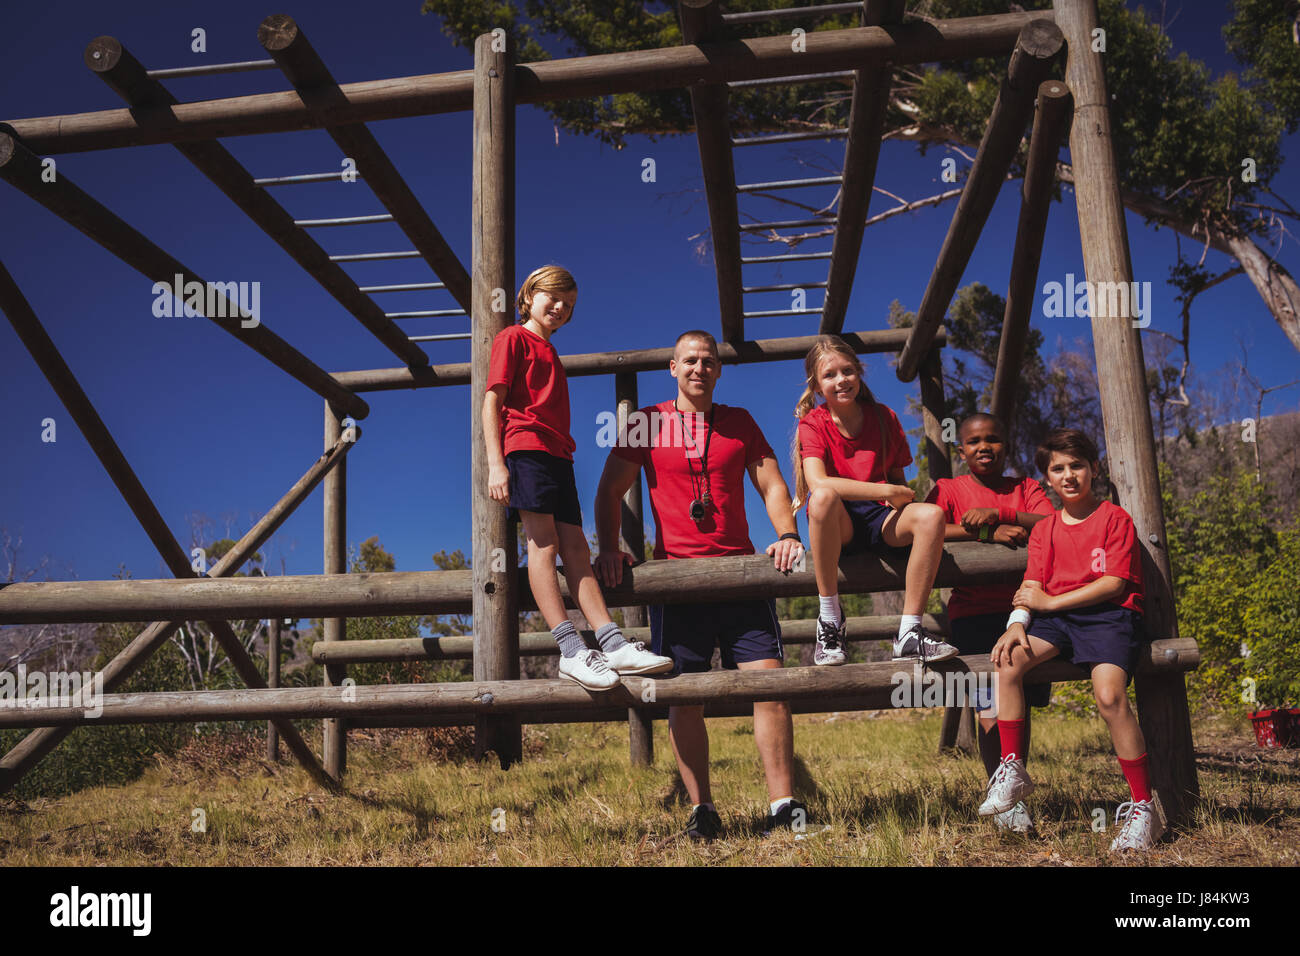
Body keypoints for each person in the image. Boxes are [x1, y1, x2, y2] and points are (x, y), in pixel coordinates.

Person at [593, 330, 807, 841]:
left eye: (708, 361)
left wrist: (787, 533)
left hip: (739, 576)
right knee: (683, 697)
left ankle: (783, 805)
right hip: (677, 580)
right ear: (672, 368)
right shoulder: (645, 424)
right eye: (689, 361)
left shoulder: (739, 422)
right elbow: (608, 490)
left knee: (770, 687)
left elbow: (773, 483)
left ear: (718, 370)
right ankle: (702, 809)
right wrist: (607, 548)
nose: (699, 368)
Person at [483, 265, 672, 692]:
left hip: (559, 455)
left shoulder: (553, 354)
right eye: (553, 297)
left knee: (576, 549)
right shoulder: (512, 338)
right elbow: (491, 402)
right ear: (529, 295)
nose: (561, 307)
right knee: (543, 544)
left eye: (568, 304)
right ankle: (570, 649)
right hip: (525, 448)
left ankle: (611, 642)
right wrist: (497, 464)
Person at [979, 428, 1162, 852]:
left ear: (1094, 469)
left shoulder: (1115, 519)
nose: (1069, 475)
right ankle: (1013, 769)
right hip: (1056, 619)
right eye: (1057, 469)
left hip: (1108, 618)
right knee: (1008, 661)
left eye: (1077, 465)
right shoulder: (1045, 530)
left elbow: (1114, 585)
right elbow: (1032, 583)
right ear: (1047, 478)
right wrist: (1017, 622)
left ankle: (1143, 807)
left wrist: (1051, 601)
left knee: (1110, 697)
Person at [792, 335, 959, 666]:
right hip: (838, 525)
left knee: (932, 516)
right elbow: (818, 482)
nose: (841, 380)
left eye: (848, 371)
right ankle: (829, 620)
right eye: (830, 375)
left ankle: (910, 632)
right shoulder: (813, 423)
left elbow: (898, 482)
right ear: (816, 385)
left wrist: (899, 496)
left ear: (859, 373)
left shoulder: (885, 417)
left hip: (881, 520)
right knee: (823, 497)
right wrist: (885, 491)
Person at [925, 412, 1054, 834]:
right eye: (974, 441)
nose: (985, 447)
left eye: (994, 439)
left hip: (1028, 609)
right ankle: (1005, 803)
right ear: (960, 450)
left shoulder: (1027, 488)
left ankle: (1011, 786)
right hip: (974, 612)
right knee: (989, 708)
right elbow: (924, 530)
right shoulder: (948, 489)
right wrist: (984, 534)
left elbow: (1054, 524)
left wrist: (1003, 514)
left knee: (1018, 707)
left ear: (1006, 445)